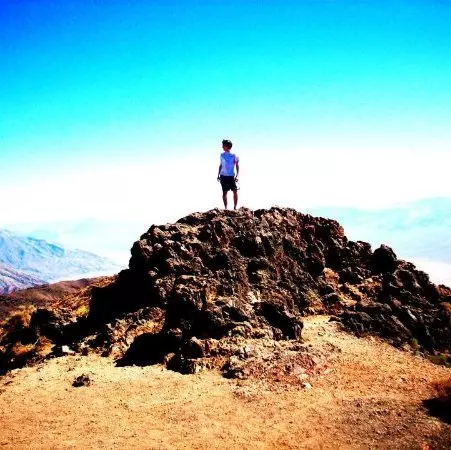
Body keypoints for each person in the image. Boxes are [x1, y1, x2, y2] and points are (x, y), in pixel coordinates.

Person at [217, 139, 240, 210]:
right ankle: (226, 208)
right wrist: (218, 175)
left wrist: (237, 176)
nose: (222, 147)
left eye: (223, 145)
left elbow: (237, 165)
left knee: (235, 191)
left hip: (231, 176)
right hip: (223, 176)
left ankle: (235, 207)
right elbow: (220, 165)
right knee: (224, 193)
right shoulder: (221, 155)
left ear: (227, 146)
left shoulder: (234, 155)